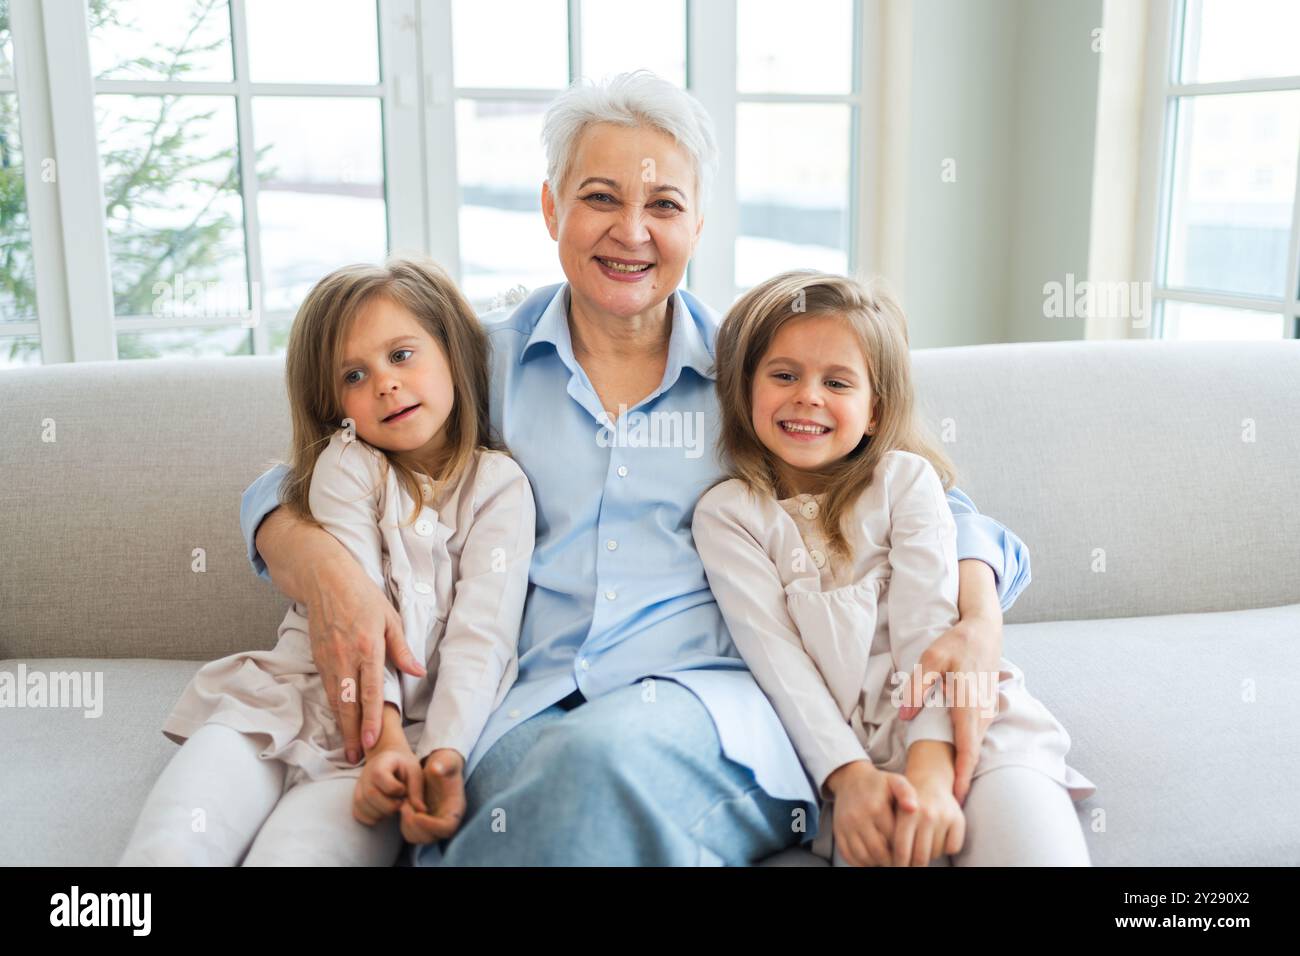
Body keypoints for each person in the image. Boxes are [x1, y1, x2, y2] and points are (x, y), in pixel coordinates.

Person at [237, 72, 1033, 865]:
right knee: (548, 795)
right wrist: (330, 575)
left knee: (592, 772)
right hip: (524, 715)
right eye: (600, 198)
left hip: (705, 711)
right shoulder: (481, 364)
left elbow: (928, 501)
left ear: (697, 224)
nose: (632, 231)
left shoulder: (756, 377)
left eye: (663, 205)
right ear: (551, 209)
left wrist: (979, 619)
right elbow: (295, 480)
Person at [119, 257, 534, 865]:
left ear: (452, 352)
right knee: (172, 846)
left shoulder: (500, 488)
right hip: (280, 706)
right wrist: (383, 734)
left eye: (401, 355)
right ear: (333, 403)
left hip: (391, 753)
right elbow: (358, 605)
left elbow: (484, 638)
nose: (385, 384)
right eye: (355, 375)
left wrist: (441, 757)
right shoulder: (347, 465)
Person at [692, 270, 1096, 866]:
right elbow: (778, 663)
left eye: (837, 382)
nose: (808, 396)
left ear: (874, 412)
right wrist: (851, 778)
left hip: (964, 724)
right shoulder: (728, 516)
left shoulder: (905, 481)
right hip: (848, 760)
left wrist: (932, 771)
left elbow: (925, 626)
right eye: (784, 375)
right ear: (745, 388)